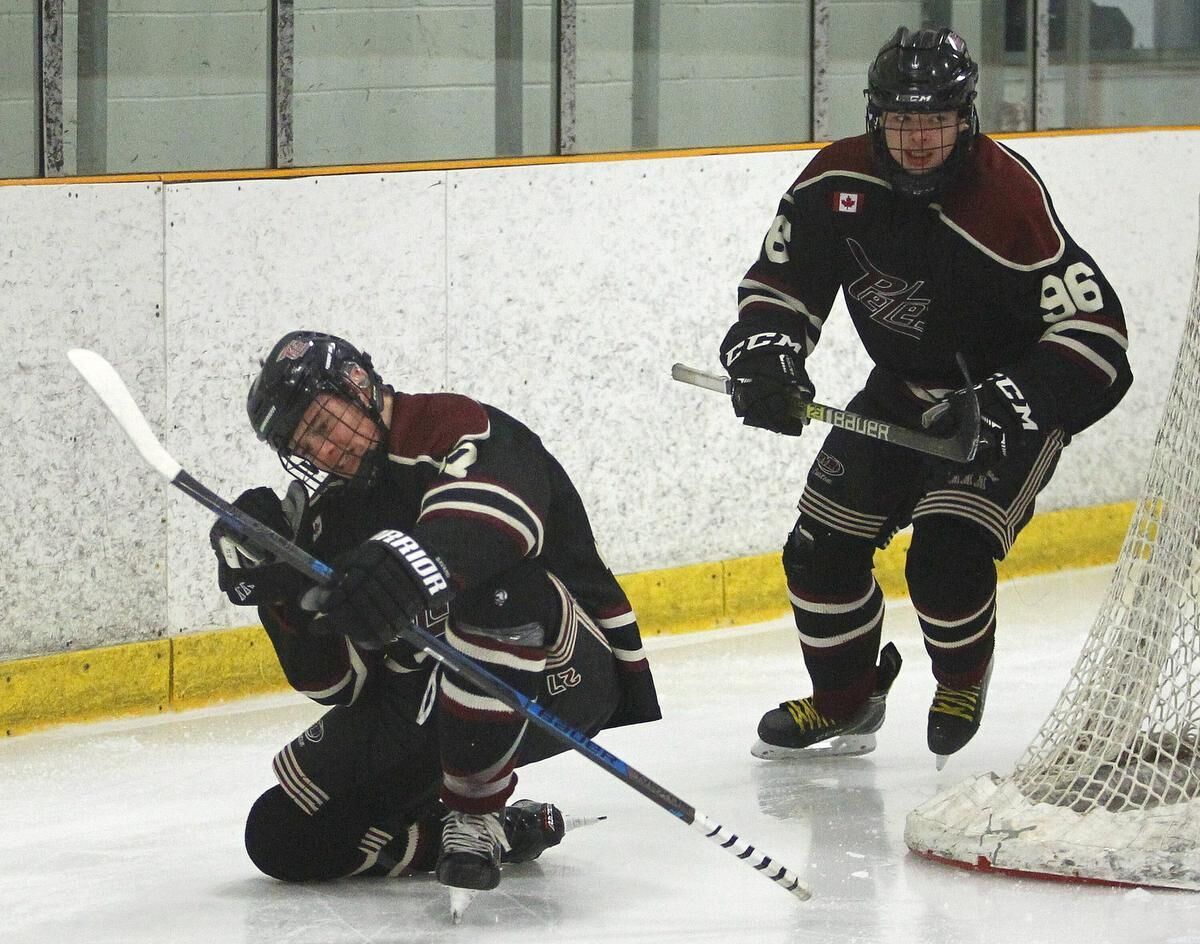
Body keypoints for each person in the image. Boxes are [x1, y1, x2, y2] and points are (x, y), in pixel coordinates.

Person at [718, 27, 1130, 766]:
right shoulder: (833, 182)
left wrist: (1012, 402)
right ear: (876, 116)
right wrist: (767, 354)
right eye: (902, 120)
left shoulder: (1006, 196)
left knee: (945, 556)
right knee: (818, 551)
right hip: (898, 392)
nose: (917, 139)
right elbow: (781, 284)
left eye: (935, 119)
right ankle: (847, 701)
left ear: (965, 117)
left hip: (995, 408)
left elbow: (1096, 333)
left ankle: (961, 680)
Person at [210, 330, 660, 901]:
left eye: (324, 426)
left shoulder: (449, 425)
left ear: (357, 384)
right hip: (426, 698)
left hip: (559, 669)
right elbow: (336, 683)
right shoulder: (330, 517)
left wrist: (405, 564)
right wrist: (279, 588)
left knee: (500, 590)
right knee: (284, 834)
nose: (323, 452)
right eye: (306, 446)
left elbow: (503, 524)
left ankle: (475, 813)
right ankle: (499, 833)